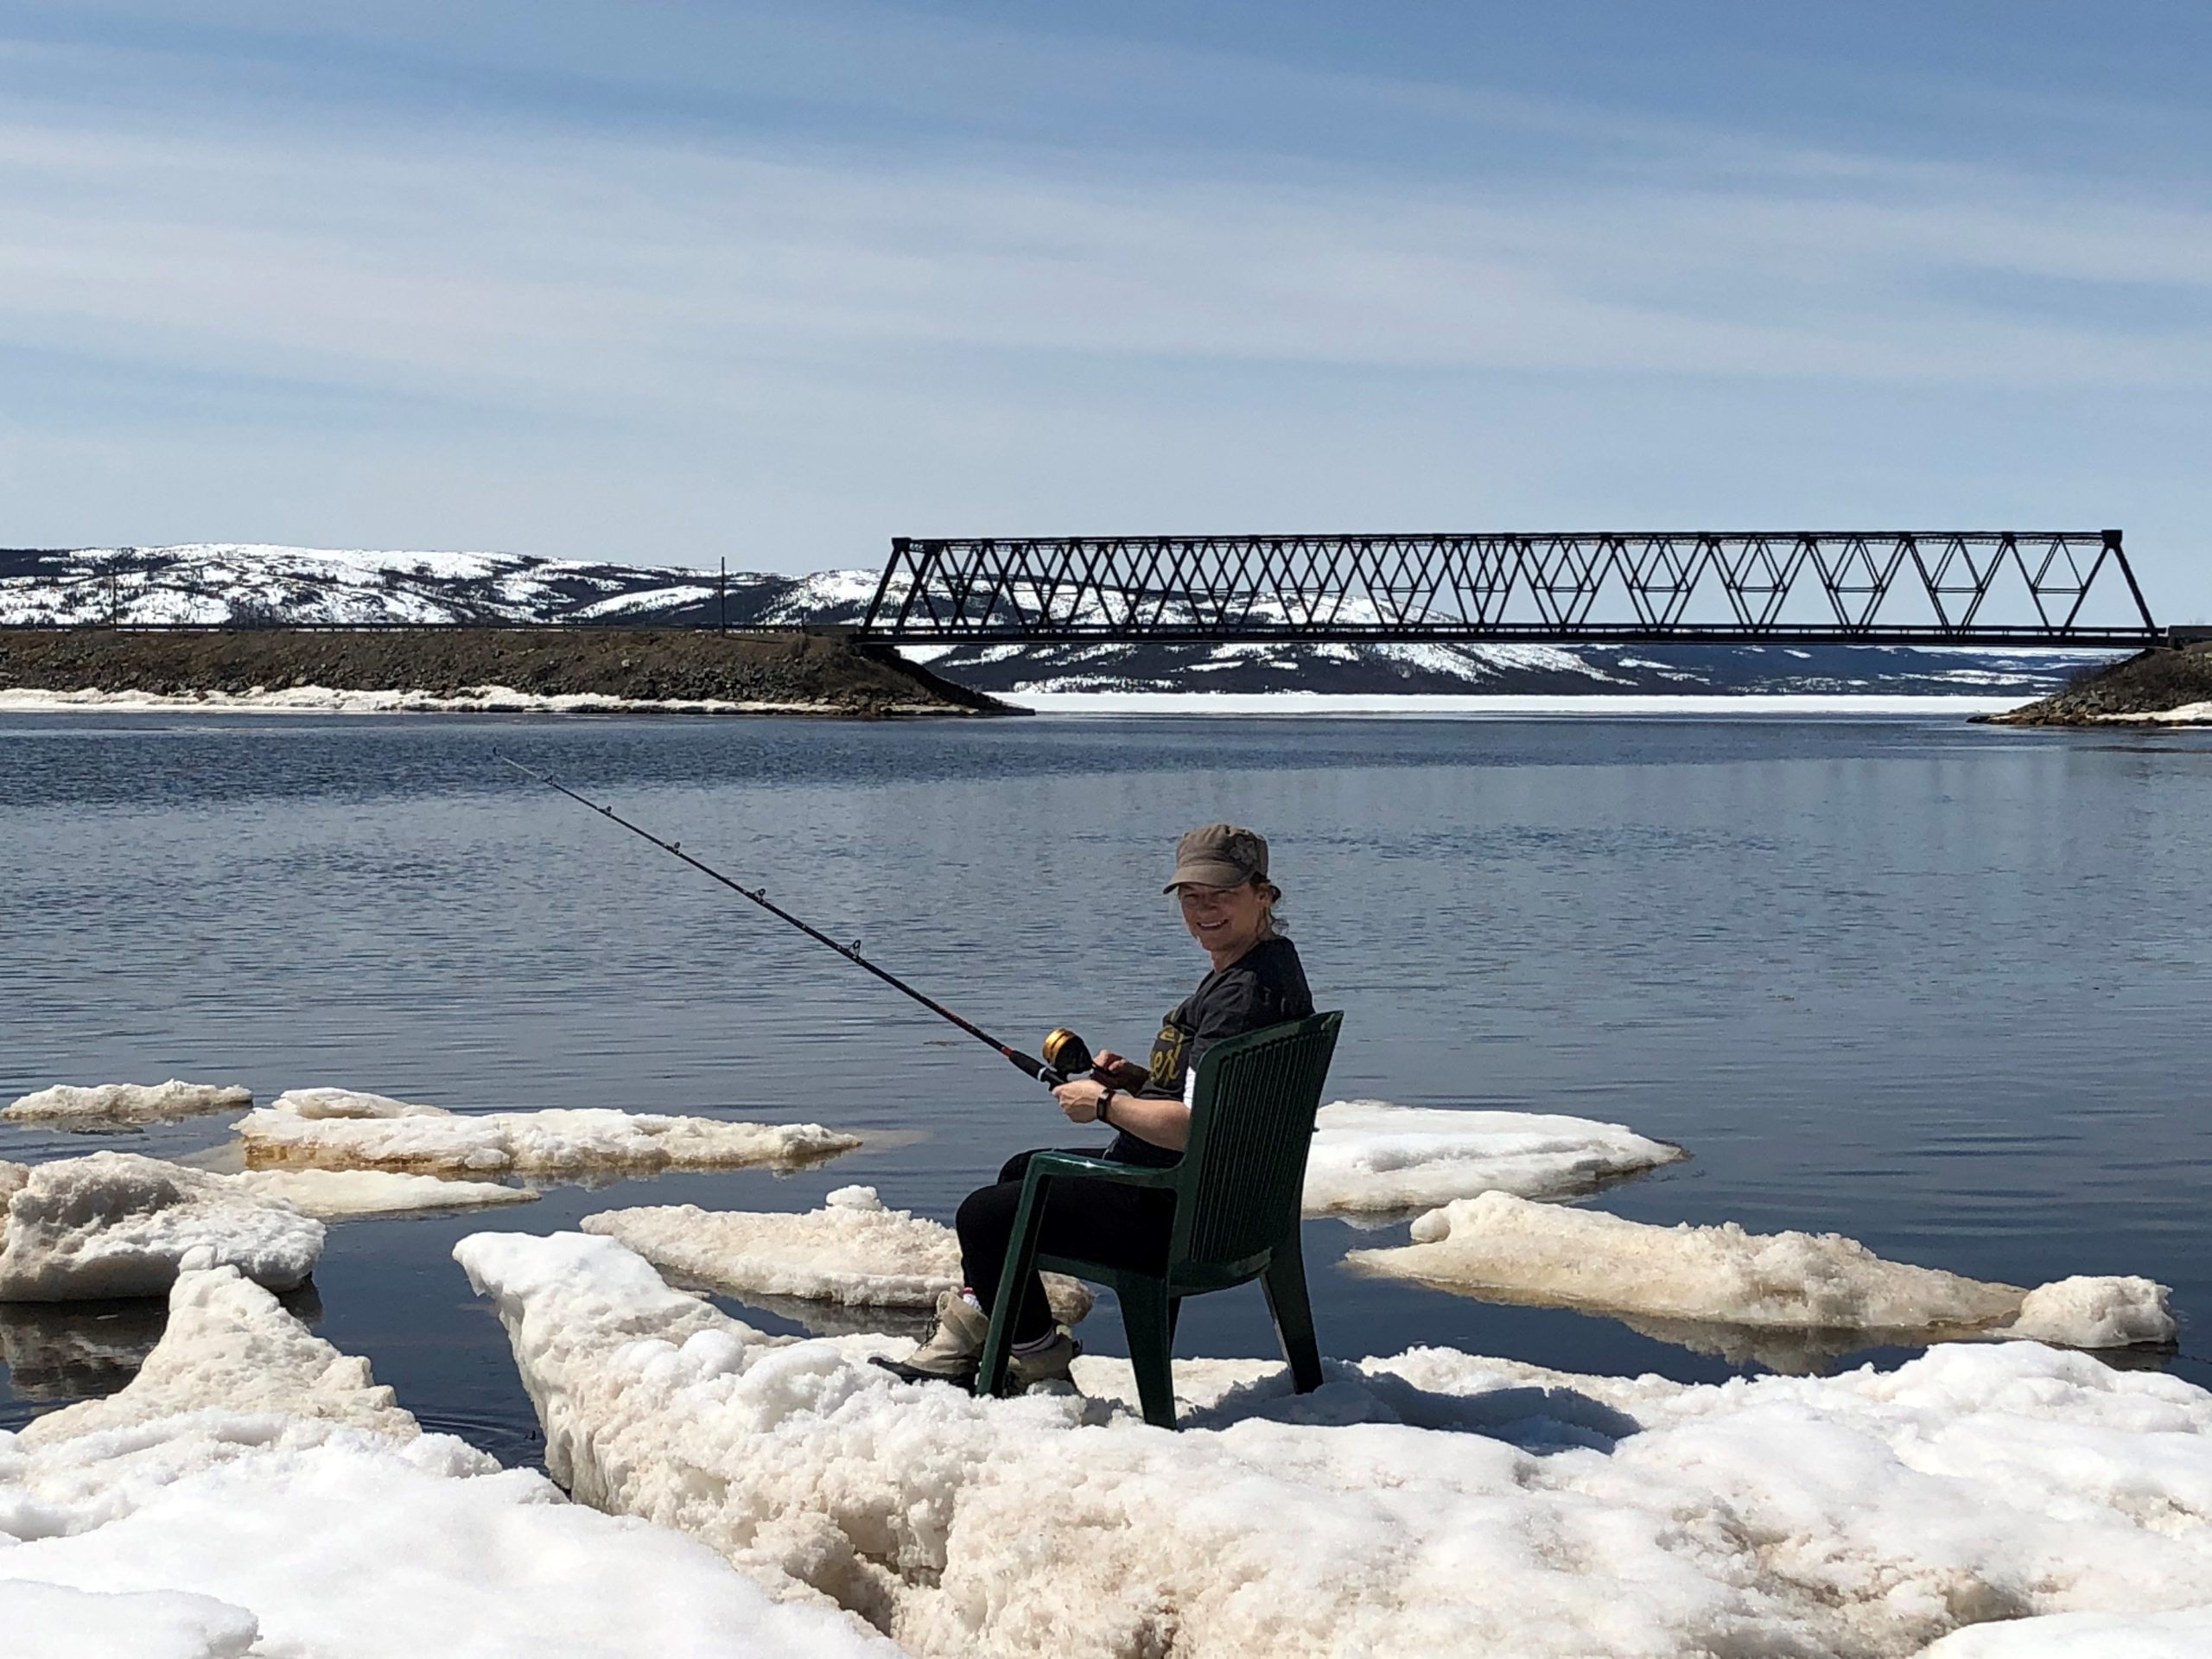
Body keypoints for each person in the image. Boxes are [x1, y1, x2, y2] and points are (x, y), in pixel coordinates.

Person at [885, 822, 1314, 1388]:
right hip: (1228, 1200)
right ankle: (982, 1326)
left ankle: (1037, 1359)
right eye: (1192, 896)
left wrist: (1106, 1103)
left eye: (1223, 895)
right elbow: (1214, 1093)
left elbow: (1194, 1128)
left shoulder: (1241, 998)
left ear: (1263, 894)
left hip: (1181, 1215)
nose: (1205, 909)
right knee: (1020, 1171)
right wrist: (1139, 1079)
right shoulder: (1270, 969)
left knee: (984, 1216)